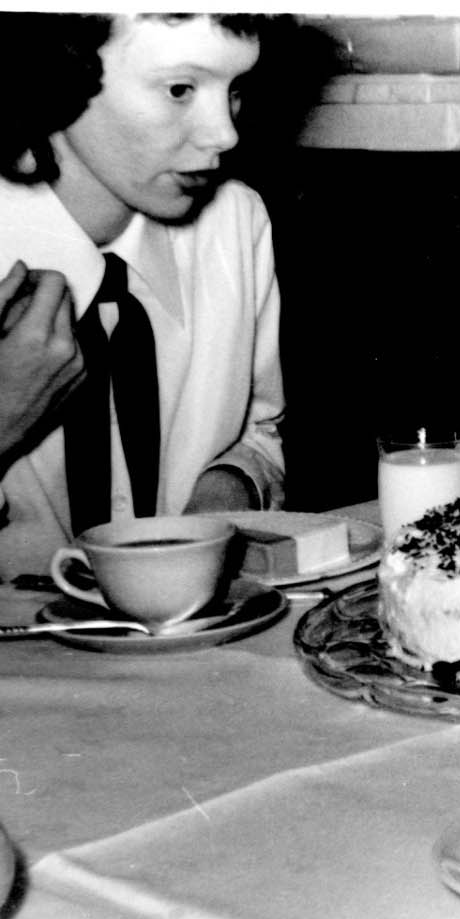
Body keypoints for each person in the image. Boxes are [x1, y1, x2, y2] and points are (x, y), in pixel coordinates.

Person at [0, 13, 287, 578]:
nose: (225, 134)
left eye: (236, 88)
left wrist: (225, 494)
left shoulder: (234, 221)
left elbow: (258, 434)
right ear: (56, 77)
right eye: (180, 88)